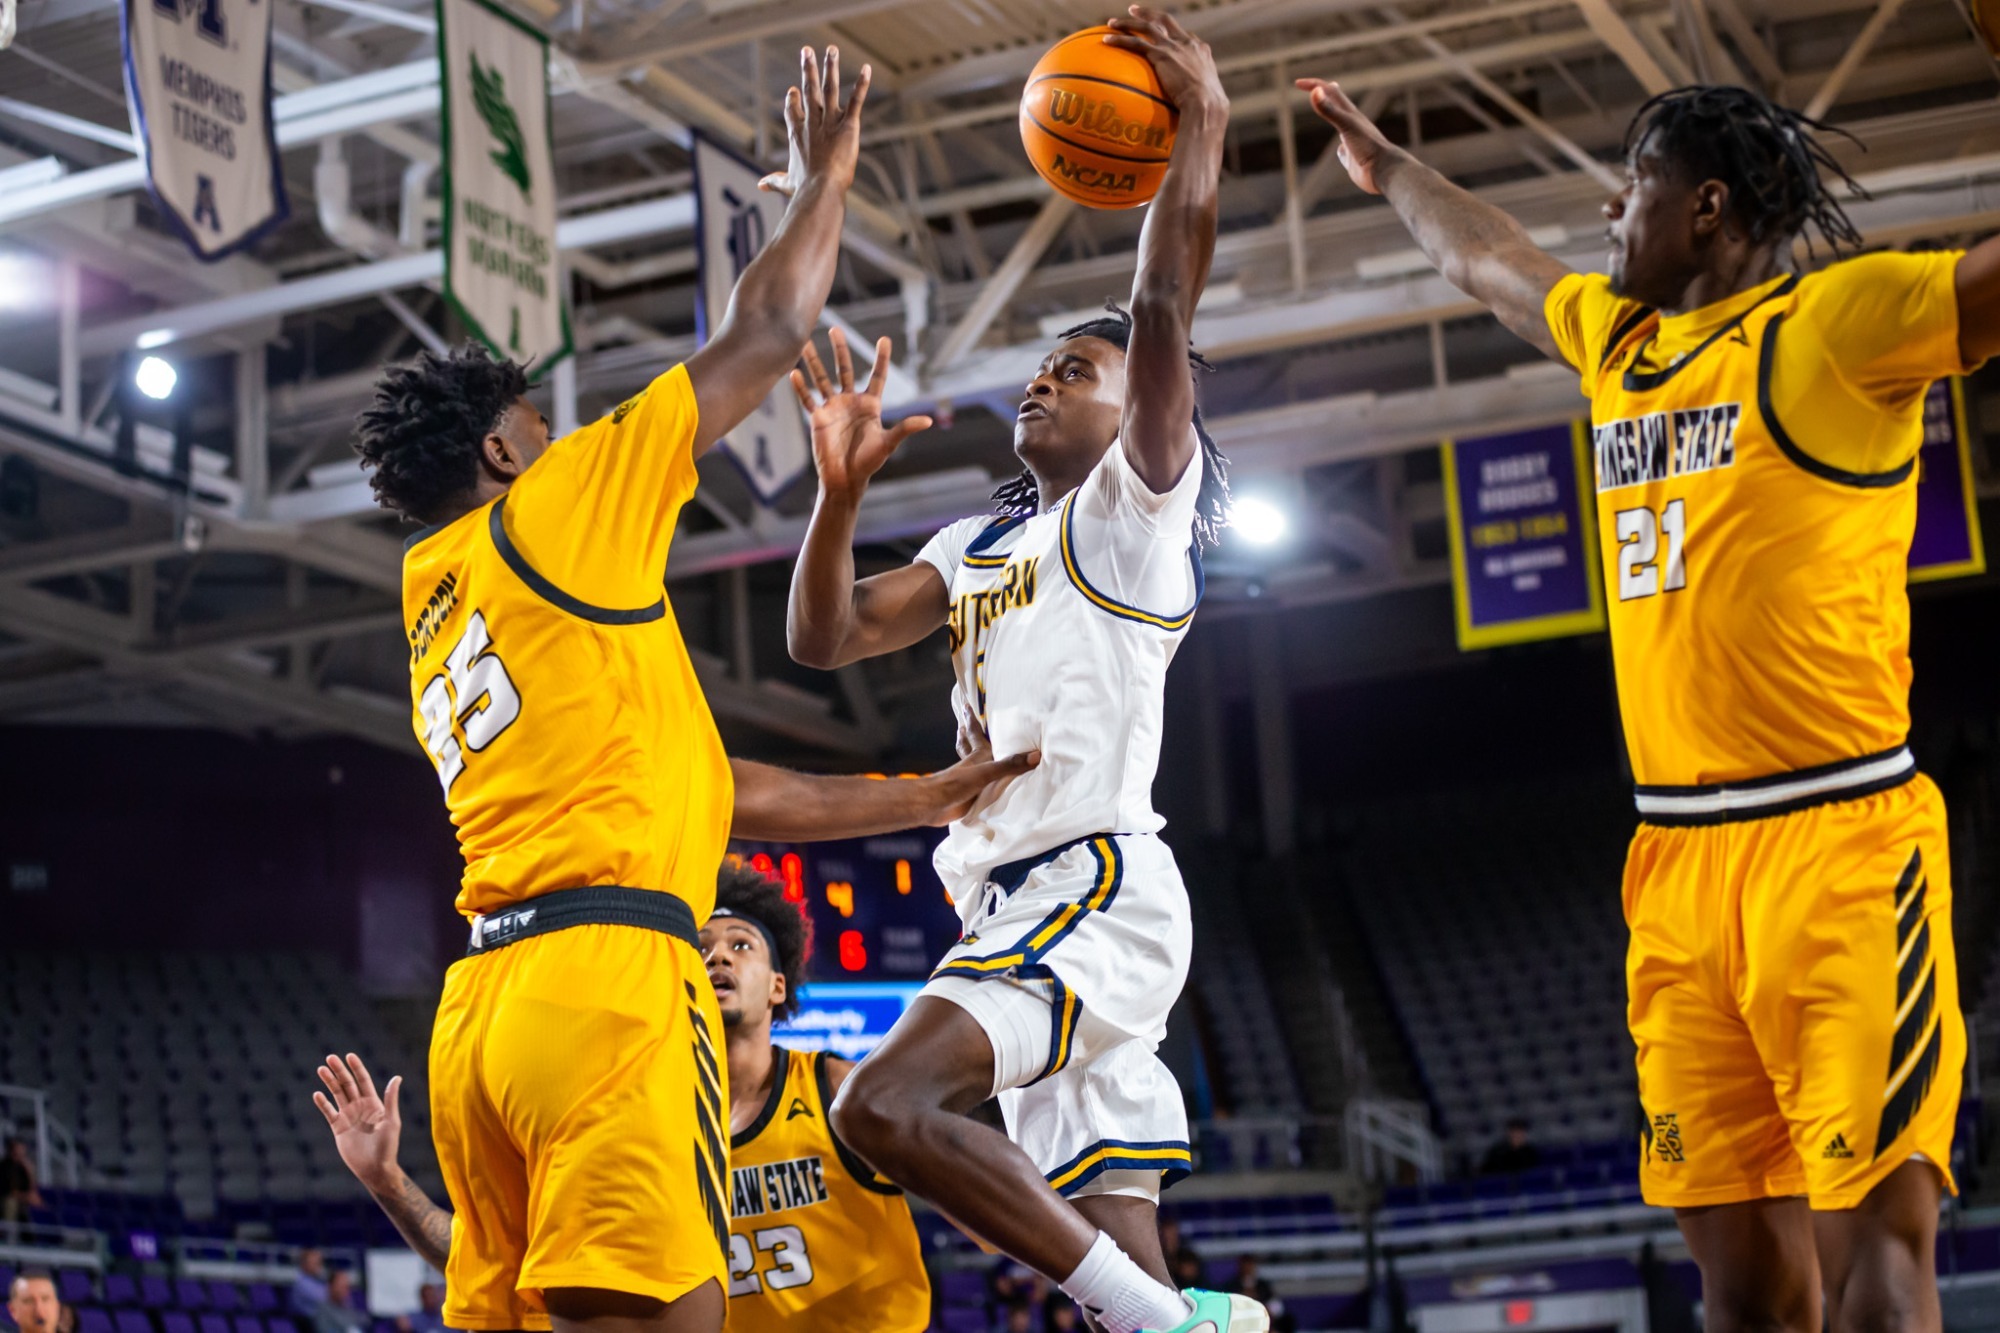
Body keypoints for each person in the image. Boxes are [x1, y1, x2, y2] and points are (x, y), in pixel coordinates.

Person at [1295, 73, 2000, 1333]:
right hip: (1672, 866)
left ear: (1706, 208)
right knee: (1738, 1289)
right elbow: (1486, 261)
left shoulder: (1836, 323)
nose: (1608, 207)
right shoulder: (1616, 344)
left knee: (1875, 1262)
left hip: (1836, 846)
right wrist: (1387, 167)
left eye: (1634, 183)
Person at [351, 41, 1036, 1333]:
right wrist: (826, 178)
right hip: (606, 985)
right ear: (503, 451)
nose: (564, 439)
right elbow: (769, 333)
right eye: (542, 428)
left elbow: (724, 792)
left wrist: (922, 795)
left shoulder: (435, 591)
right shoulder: (549, 508)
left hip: (484, 1014)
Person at [784, 10, 1259, 1332]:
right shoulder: (975, 543)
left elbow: (1160, 307)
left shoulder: (1129, 519)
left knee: (879, 1106)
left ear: (1135, 408)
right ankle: (1173, 1319)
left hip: (1088, 884)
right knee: (1115, 1276)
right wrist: (835, 497)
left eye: (1078, 371)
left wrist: (1201, 123)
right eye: (1042, 367)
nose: (1044, 381)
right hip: (1008, 899)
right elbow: (823, 638)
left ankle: (1175, 1321)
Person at [311, 865, 932, 1333]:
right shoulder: (630, 1112)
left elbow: (959, 1174)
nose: (716, 955)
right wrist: (387, 1181)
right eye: (701, 946)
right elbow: (502, 1259)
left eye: (741, 944)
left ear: (777, 985)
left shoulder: (835, 1088)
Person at [0, 1139, 39, 1224]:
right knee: (10, 1203)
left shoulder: (23, 1167)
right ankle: (9, 1230)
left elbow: (31, 1188)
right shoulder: (4, 1166)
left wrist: (30, 1172)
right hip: (7, 1198)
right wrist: (25, 1197)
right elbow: (9, 1191)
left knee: (37, 1200)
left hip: (22, 1198)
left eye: (23, 1150)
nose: (21, 1153)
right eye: (18, 1150)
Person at [288, 1250, 329, 1321]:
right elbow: (323, 1299)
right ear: (304, 1264)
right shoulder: (301, 1282)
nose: (318, 1266)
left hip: (320, 1319)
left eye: (319, 1263)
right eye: (314, 1263)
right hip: (305, 1321)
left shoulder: (320, 1280)